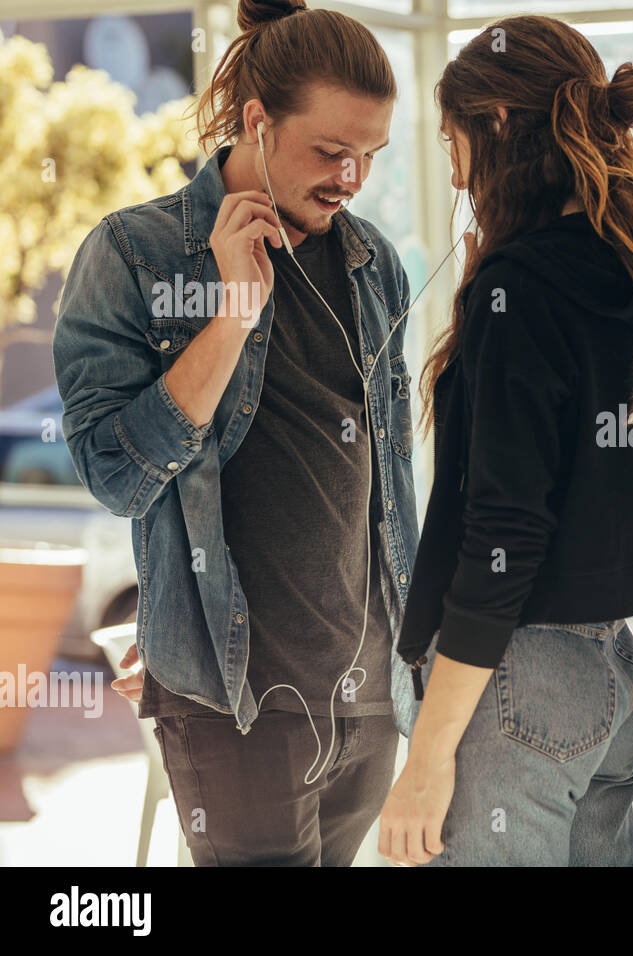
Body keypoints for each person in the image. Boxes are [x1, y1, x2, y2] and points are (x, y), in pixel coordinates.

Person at [52, 0, 419, 866]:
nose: (352, 177)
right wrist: (230, 319)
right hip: (235, 704)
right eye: (331, 150)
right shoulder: (132, 255)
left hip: (370, 701)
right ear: (257, 121)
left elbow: (391, 484)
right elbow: (115, 475)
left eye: (370, 154)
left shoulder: (375, 264)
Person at [379, 14, 633, 867]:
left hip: (515, 691)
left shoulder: (521, 287)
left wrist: (424, 763)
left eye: (451, 141)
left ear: (495, 126)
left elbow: (507, 537)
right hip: (612, 678)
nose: (451, 169)